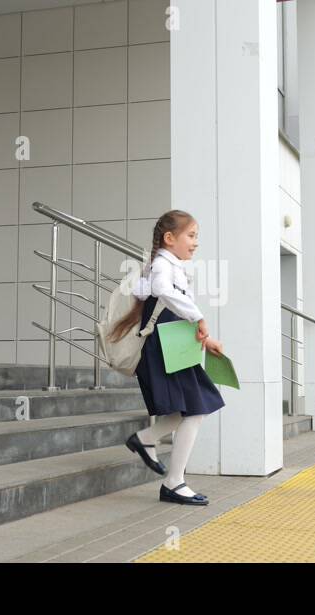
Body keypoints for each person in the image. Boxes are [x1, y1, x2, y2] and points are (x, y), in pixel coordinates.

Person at [110, 209, 225, 505]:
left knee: (187, 409)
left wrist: (206, 338)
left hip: (170, 347)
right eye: (191, 235)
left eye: (196, 236)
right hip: (163, 349)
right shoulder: (163, 265)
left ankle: (147, 442)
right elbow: (163, 293)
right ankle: (173, 482)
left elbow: (171, 308)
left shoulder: (167, 265)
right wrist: (200, 318)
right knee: (196, 408)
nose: (196, 242)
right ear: (169, 238)